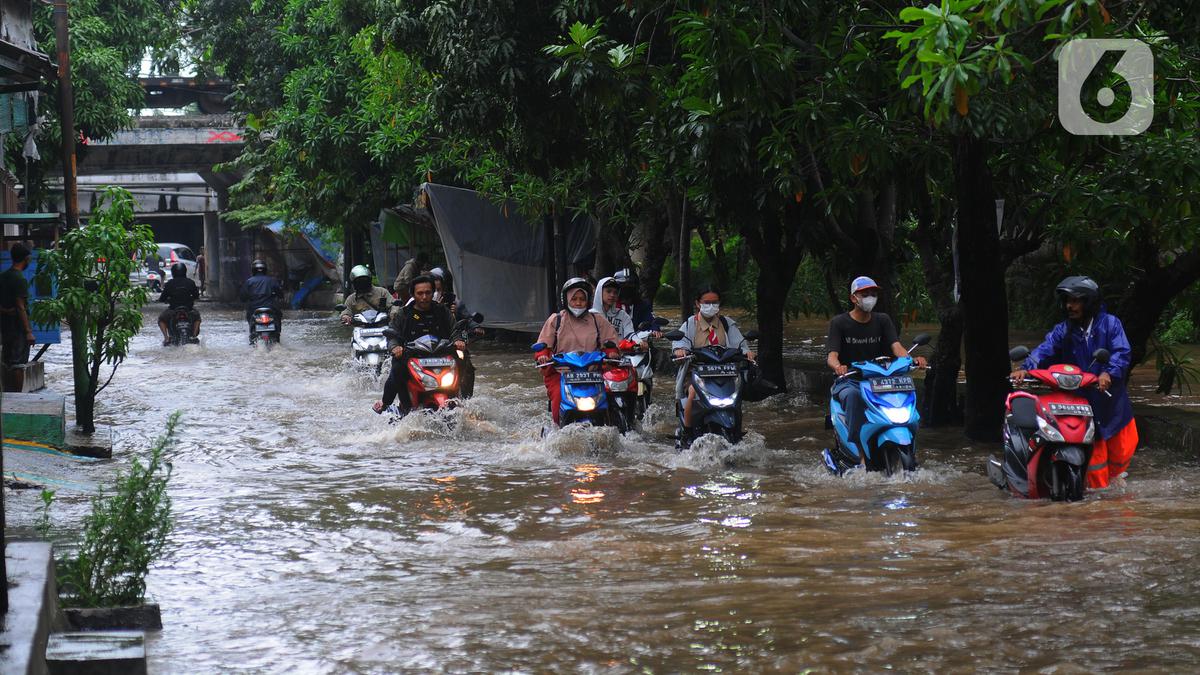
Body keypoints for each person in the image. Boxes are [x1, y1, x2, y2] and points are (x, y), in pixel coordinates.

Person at [1011, 275, 1136, 489]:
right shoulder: (1063, 330)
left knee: (1121, 455)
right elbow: (1044, 350)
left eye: (1076, 300)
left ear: (1089, 302)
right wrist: (1025, 369)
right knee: (1096, 471)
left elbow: (1121, 352)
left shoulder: (1110, 324)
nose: (1070, 305)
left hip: (1111, 403)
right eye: (1068, 300)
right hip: (1079, 404)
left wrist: (1109, 373)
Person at [825, 276, 927, 458]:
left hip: (882, 378)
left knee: (907, 391)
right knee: (853, 397)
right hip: (850, 380)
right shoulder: (839, 323)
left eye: (873, 294)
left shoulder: (883, 320)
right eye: (865, 294)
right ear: (853, 298)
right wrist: (839, 367)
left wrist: (912, 360)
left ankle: (911, 445)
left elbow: (896, 347)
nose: (870, 297)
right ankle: (861, 453)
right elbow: (832, 356)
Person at [534, 278, 620, 426]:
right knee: (558, 399)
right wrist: (542, 356)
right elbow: (543, 346)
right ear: (566, 299)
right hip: (561, 374)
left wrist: (612, 352)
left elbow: (610, 342)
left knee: (611, 401)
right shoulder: (556, 320)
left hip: (593, 374)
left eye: (582, 299)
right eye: (574, 299)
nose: (578, 303)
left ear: (588, 301)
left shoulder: (597, 320)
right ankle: (557, 430)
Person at [374, 275, 464, 414]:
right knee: (397, 369)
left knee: (465, 362)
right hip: (411, 356)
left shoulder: (442, 311)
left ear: (433, 293)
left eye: (428, 293)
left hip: (442, 356)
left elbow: (454, 330)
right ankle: (388, 403)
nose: (424, 297)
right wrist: (395, 347)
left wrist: (458, 340)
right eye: (420, 293)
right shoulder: (403, 314)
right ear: (413, 295)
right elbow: (393, 334)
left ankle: (465, 400)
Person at [671, 287, 756, 428]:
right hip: (697, 373)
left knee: (737, 395)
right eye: (706, 302)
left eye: (714, 302)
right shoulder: (690, 324)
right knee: (692, 393)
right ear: (698, 304)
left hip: (725, 373)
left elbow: (740, 344)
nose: (711, 306)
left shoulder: (727, 323)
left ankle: (736, 430)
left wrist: (747, 352)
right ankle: (686, 431)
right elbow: (681, 343)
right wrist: (680, 351)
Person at [0, 243, 36, 366]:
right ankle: (16, 386)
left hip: (5, 326)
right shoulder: (19, 279)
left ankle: (9, 385)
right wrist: (28, 332)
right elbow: (21, 307)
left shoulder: (3, 276)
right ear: (26, 258)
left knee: (8, 362)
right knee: (18, 365)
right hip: (18, 327)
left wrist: (4, 311)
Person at [157, 262, 201, 344]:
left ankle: (166, 338)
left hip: (173, 310)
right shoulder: (190, 282)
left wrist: (163, 300)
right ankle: (194, 336)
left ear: (173, 272)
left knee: (161, 319)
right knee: (197, 318)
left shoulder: (169, 283)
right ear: (185, 271)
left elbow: (162, 298)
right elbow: (196, 296)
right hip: (189, 309)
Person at [239, 259, 283, 341]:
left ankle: (252, 335)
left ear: (253, 270)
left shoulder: (249, 282)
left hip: (253, 309)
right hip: (271, 308)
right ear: (265, 269)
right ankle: (277, 334)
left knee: (250, 320)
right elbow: (280, 293)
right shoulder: (272, 281)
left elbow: (242, 297)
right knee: (278, 316)